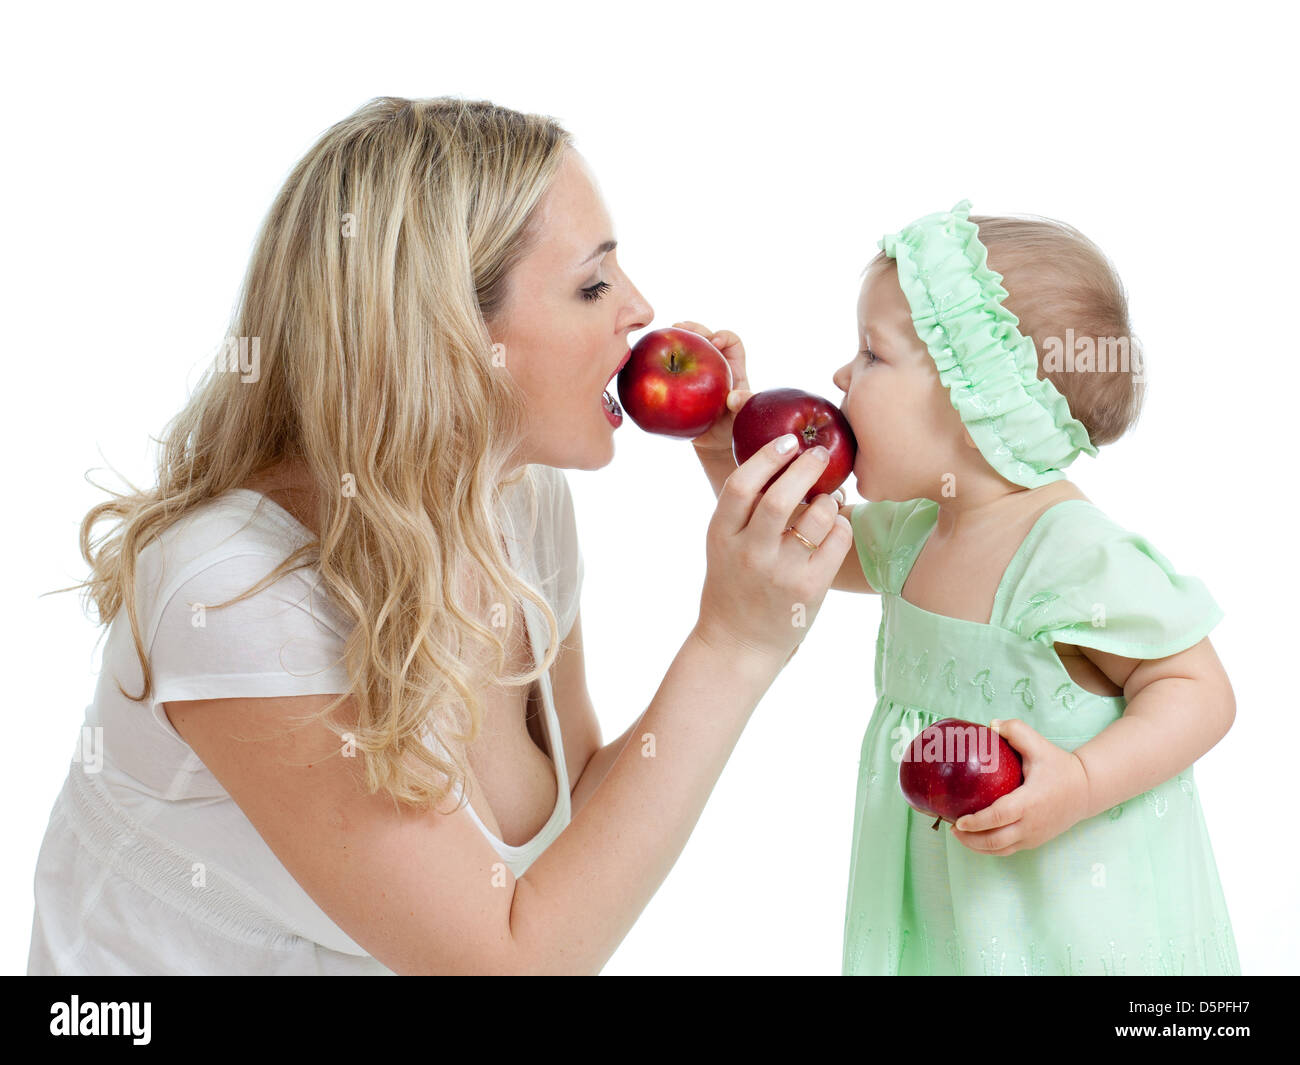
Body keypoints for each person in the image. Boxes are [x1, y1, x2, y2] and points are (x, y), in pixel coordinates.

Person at [26, 96, 854, 976]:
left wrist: (767, 573)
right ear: (448, 336)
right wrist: (733, 643)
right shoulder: (233, 589)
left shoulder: (517, 501)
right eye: (591, 284)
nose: (643, 311)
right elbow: (509, 961)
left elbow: (580, 846)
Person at [698, 200, 1238, 975]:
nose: (839, 376)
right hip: (948, 914)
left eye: (872, 356)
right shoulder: (915, 528)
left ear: (976, 399)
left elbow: (1199, 688)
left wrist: (1080, 782)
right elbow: (793, 543)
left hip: (1068, 917)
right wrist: (729, 450)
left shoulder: (1073, 556)